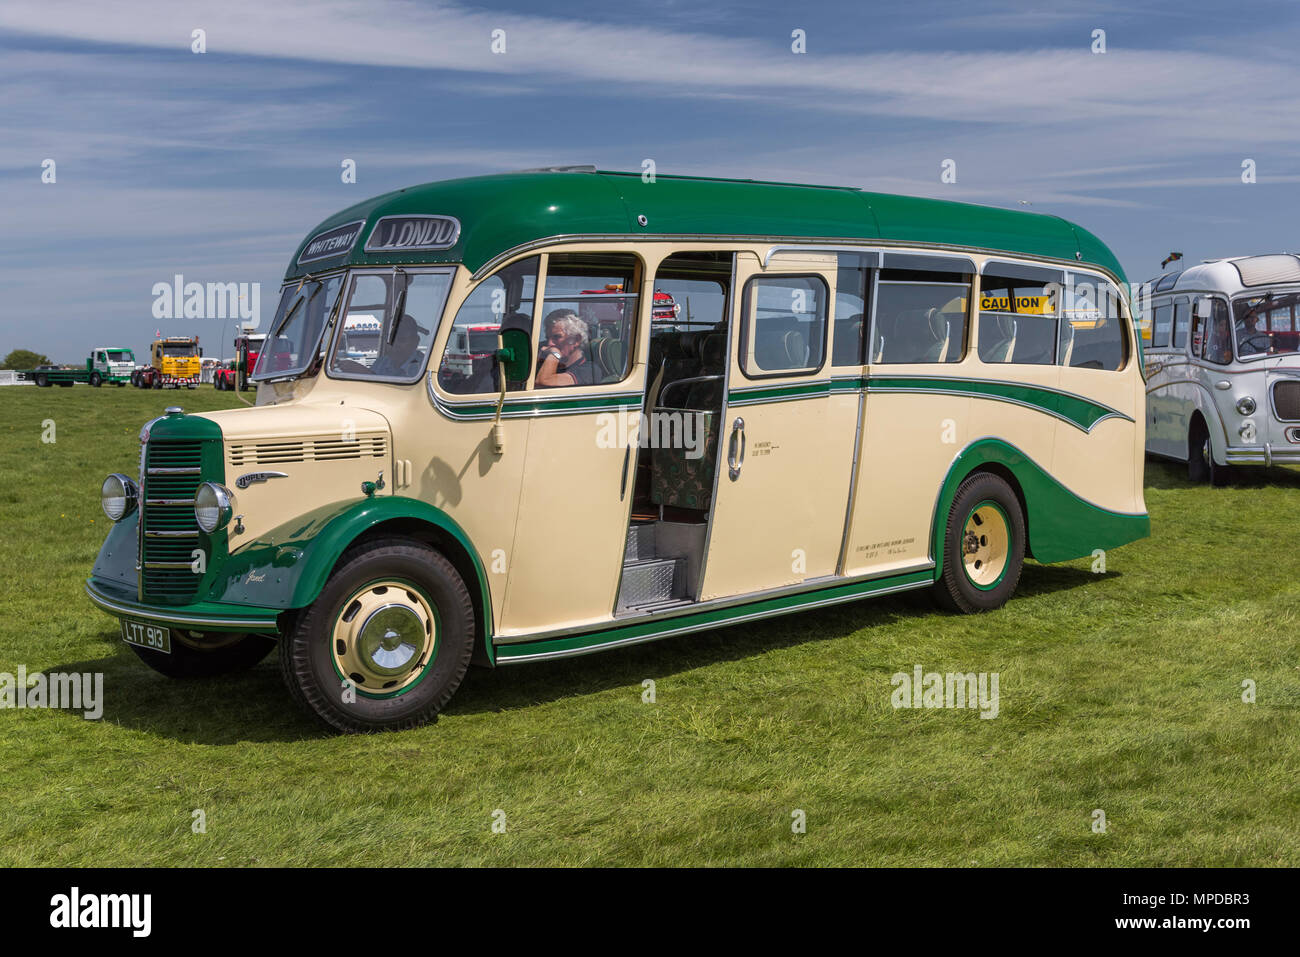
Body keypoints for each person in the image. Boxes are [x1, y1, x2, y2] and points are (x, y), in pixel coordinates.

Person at [536, 309, 594, 387]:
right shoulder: (557, 365)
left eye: (557, 337)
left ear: (576, 340)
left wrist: (554, 354)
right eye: (548, 338)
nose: (549, 343)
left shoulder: (589, 370)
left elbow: (543, 382)